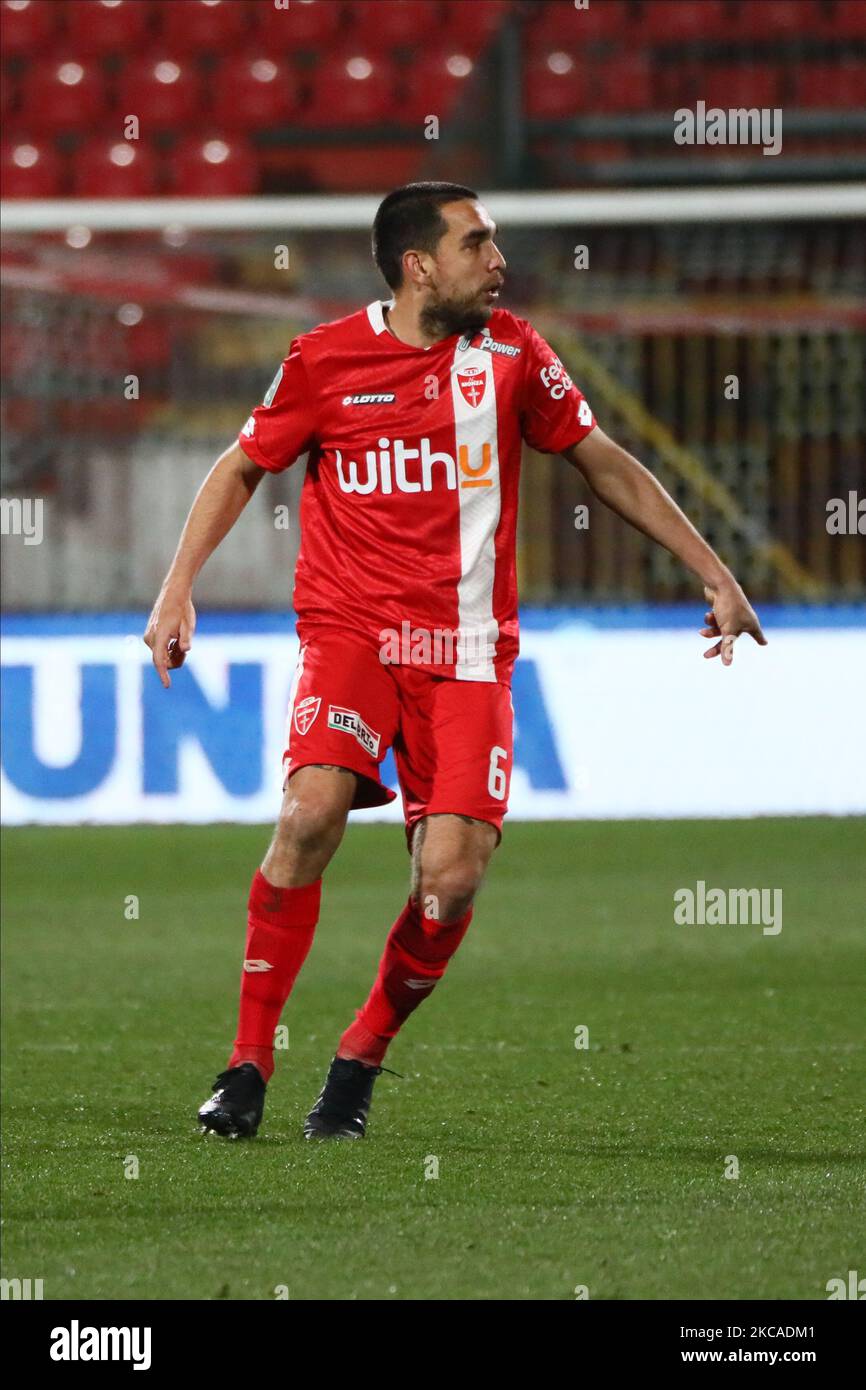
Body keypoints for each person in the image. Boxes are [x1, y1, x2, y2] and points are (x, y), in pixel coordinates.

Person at [144, 182, 766, 1141]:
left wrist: (714, 572)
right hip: (352, 633)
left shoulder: (515, 353)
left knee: (450, 878)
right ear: (417, 265)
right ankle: (246, 1066)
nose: (497, 259)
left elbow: (600, 459)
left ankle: (357, 1060)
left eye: (495, 241)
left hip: (469, 653)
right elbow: (241, 467)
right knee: (309, 812)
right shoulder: (321, 359)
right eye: (476, 243)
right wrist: (177, 585)